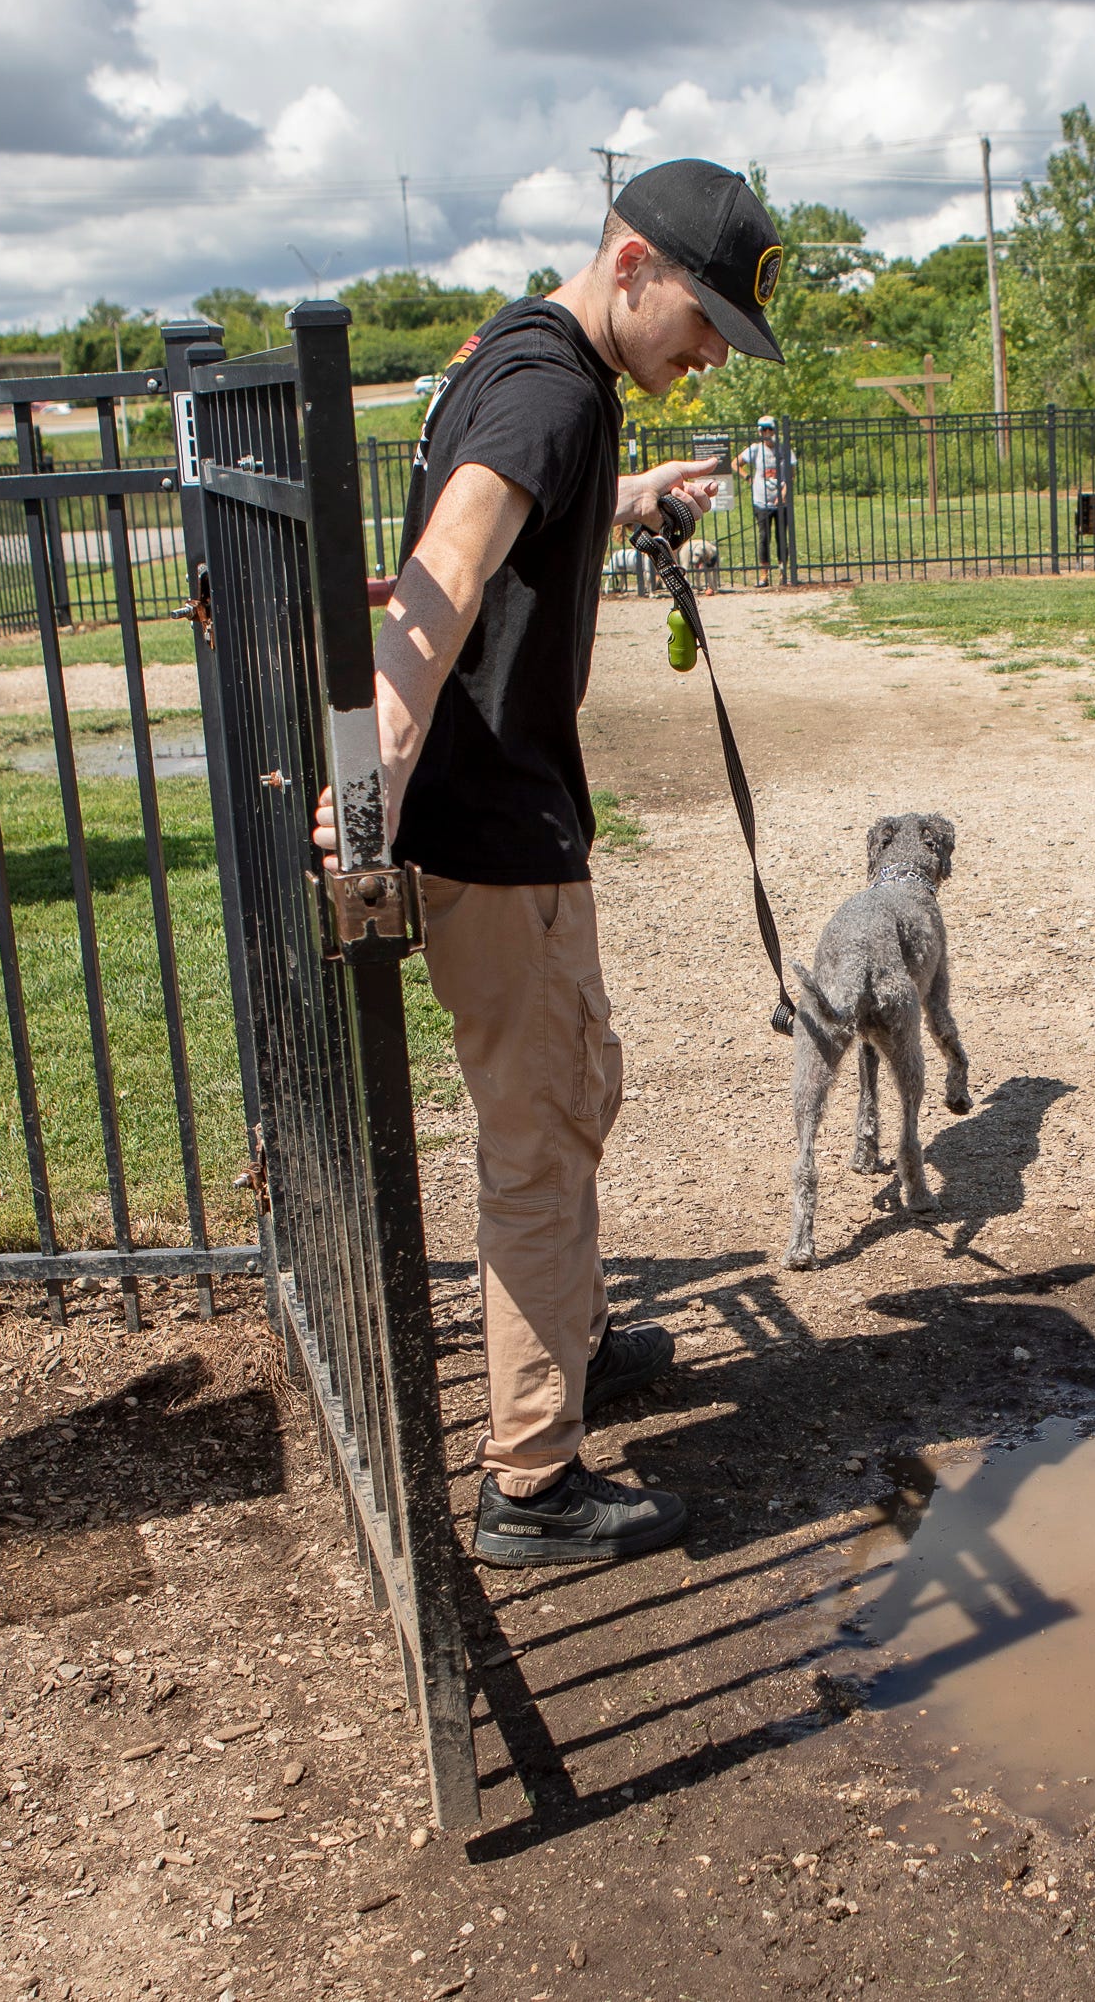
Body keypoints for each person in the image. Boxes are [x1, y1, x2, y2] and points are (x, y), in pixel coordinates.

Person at [315, 159, 786, 1563]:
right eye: (701, 320)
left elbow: (503, 520)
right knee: (541, 1129)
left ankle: (572, 1338)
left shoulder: (525, 356)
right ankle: (531, 1480)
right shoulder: (555, 389)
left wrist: (627, 495)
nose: (705, 356)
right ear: (632, 262)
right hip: (493, 825)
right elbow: (451, 565)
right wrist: (370, 791)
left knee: (564, 1101)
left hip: (496, 813)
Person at [734, 413, 791, 585]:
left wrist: (783, 494)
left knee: (781, 537)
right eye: (763, 430)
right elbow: (735, 463)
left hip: (780, 502)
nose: (767, 433)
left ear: (775, 430)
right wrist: (748, 478)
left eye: (770, 429)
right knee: (764, 538)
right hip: (761, 501)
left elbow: (790, 475)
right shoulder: (755, 449)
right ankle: (764, 575)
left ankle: (783, 574)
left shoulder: (783, 449)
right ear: (760, 432)